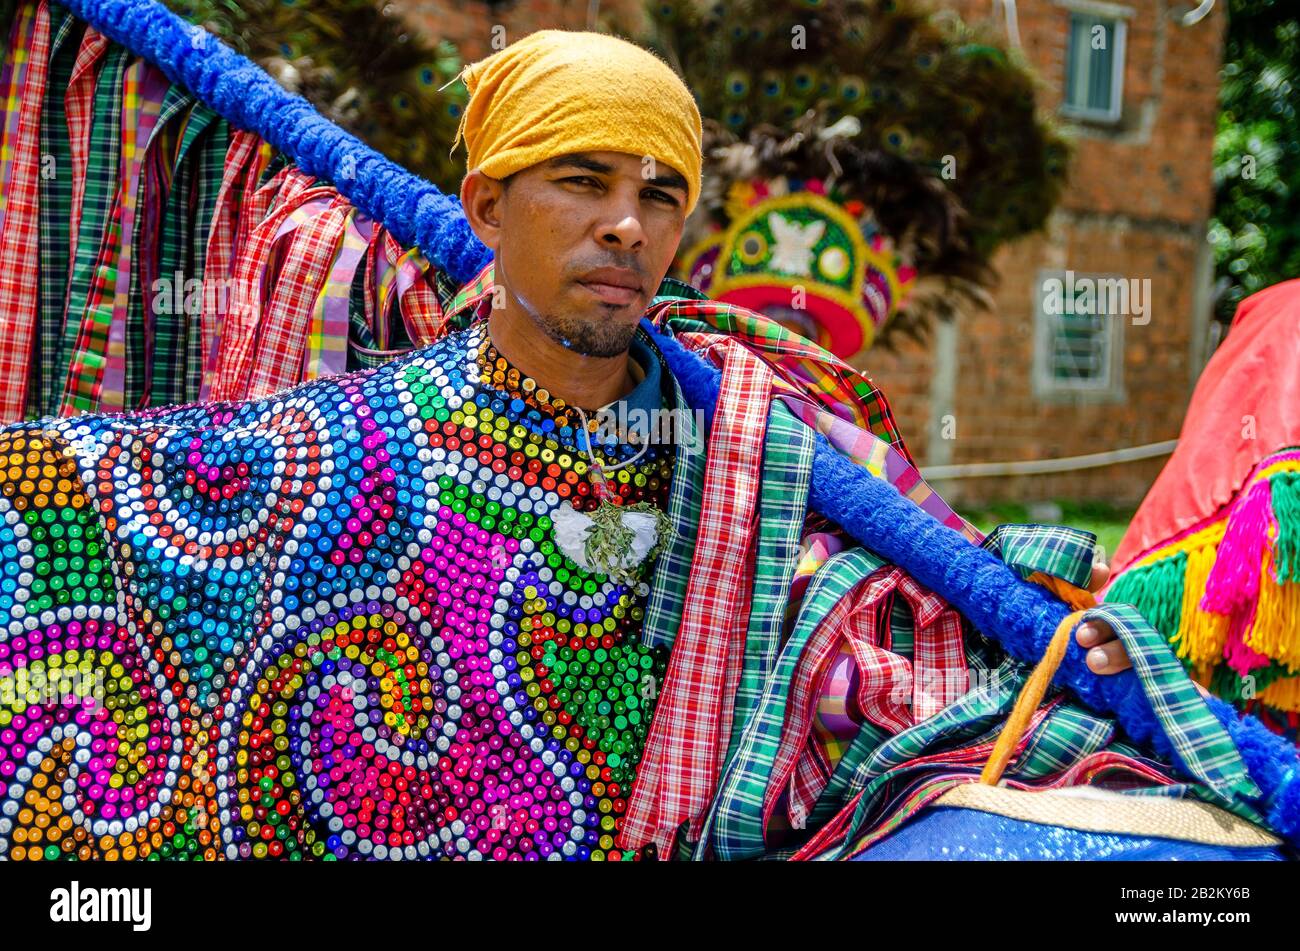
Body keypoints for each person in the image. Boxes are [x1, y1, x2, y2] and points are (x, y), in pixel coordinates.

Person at [0, 30, 1269, 863]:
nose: (625, 225)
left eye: (659, 193)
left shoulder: (756, 432)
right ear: (485, 206)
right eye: (582, 181)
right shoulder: (346, 453)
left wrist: (1047, 623)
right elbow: (99, 503)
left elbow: (903, 595)